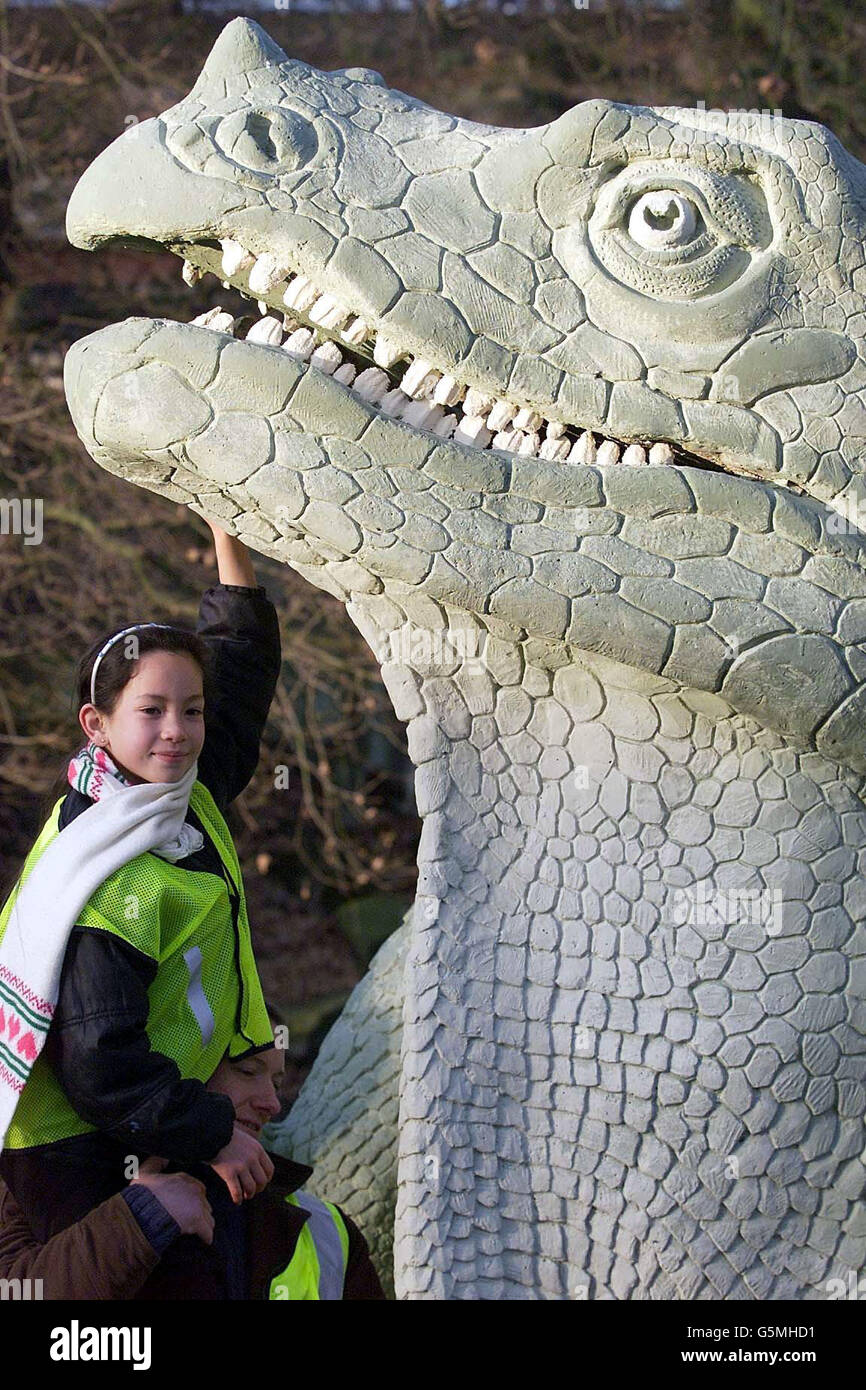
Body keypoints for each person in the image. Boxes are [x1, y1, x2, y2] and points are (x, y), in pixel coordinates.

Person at [0, 519, 281, 1258]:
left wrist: (226, 528)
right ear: (96, 724)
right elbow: (99, 1065)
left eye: (191, 710)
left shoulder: (176, 794)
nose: (177, 730)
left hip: (148, 1116)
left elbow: (240, 665)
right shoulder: (106, 874)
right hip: (75, 1147)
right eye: (151, 711)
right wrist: (215, 1135)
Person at [0, 1043, 386, 1299]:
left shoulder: (327, 1231)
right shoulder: (37, 1179)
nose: (271, 1103)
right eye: (247, 1071)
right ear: (186, 1065)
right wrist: (143, 1217)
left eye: (277, 1082)